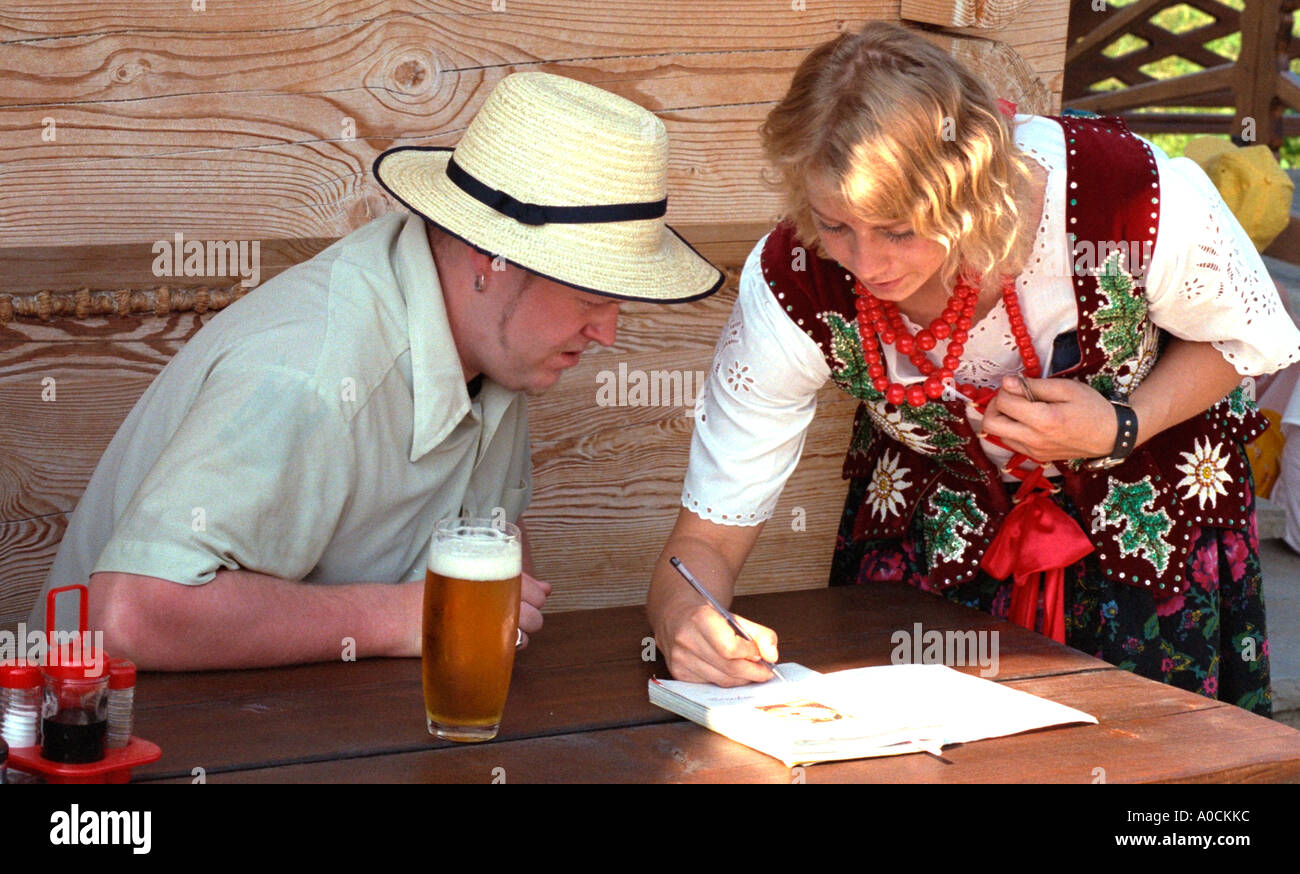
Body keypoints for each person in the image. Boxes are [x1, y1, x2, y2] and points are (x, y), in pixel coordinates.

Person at [647, 23, 1300, 717]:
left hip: (1148, 535)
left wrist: (1120, 424)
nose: (866, 265)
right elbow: (705, 538)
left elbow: (1247, 336)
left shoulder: (1125, 195)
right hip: (939, 548)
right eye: (834, 223)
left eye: (900, 229)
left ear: (976, 180)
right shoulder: (793, 280)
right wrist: (686, 620)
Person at [33, 72, 723, 670]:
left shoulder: (495, 343)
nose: (608, 331)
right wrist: (404, 617)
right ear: (493, 258)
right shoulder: (310, 369)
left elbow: (493, 563)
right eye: (592, 295)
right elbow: (130, 614)